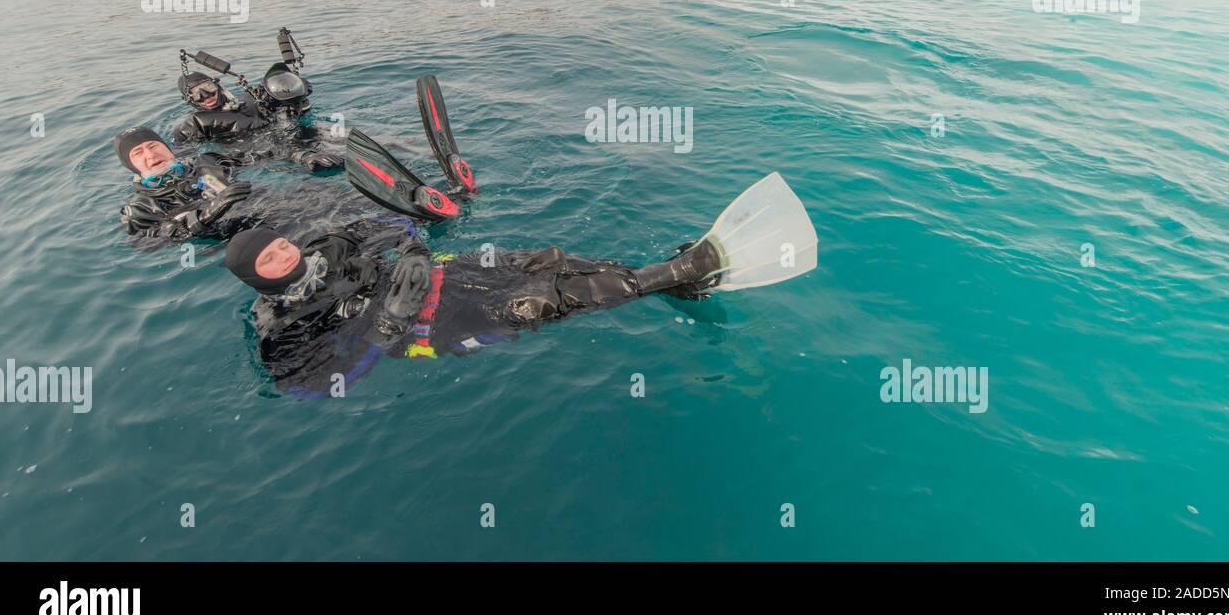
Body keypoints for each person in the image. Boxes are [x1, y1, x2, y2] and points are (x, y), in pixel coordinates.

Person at [225, 115, 817, 398]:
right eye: (271, 259)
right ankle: (677, 273)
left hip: (445, 274)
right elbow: (314, 384)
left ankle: (661, 282)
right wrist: (385, 325)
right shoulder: (279, 325)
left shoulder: (327, 247)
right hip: (430, 324)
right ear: (260, 280)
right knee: (534, 305)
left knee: (547, 261)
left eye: (281, 245)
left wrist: (412, 239)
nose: (284, 253)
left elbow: (388, 219)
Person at [172, 29, 342, 173]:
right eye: (195, 94)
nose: (205, 96)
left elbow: (283, 90)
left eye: (207, 88)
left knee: (339, 141)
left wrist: (296, 86)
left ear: (217, 84)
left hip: (295, 133)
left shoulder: (253, 97)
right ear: (188, 100)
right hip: (256, 155)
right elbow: (184, 157)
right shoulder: (194, 124)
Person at [114, 126, 256, 246]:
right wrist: (205, 217)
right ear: (131, 166)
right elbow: (149, 244)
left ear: (168, 149)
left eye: (153, 146)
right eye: (138, 153)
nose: (151, 155)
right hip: (231, 241)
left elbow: (261, 157)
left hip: (265, 210)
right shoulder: (138, 208)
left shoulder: (208, 162)